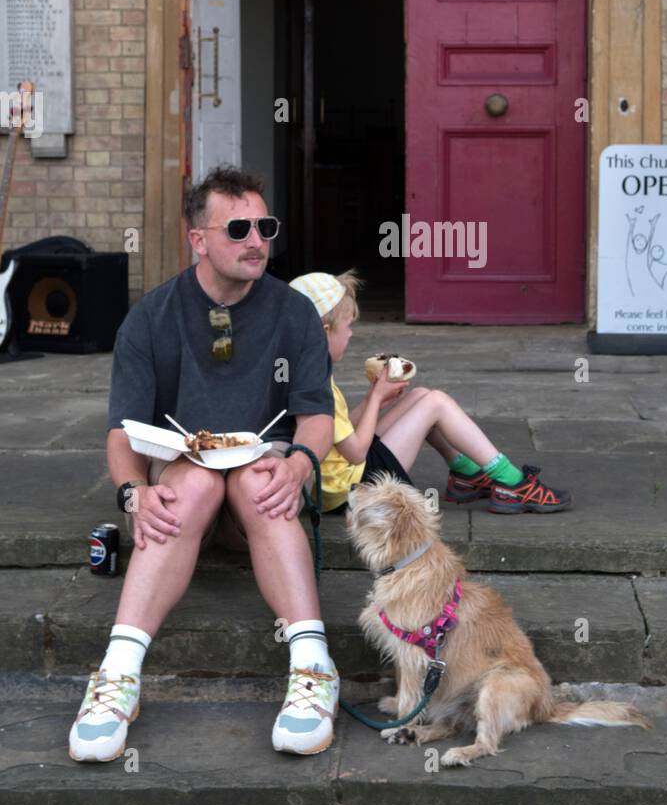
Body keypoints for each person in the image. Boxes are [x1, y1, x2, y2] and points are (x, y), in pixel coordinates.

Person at [68, 166, 338, 764]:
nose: (256, 240)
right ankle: (117, 677)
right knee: (190, 486)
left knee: (259, 476)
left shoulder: (293, 312)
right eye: (238, 228)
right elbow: (122, 431)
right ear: (198, 240)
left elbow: (316, 414)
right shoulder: (151, 316)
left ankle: (314, 665)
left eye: (265, 226)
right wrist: (131, 493)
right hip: (180, 481)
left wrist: (300, 463)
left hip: (259, 492)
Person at [289, 270, 572, 514]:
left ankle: (466, 474)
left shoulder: (306, 369)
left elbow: (338, 432)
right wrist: (376, 399)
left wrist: (372, 396)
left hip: (344, 476)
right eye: (348, 327)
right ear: (324, 331)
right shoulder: (317, 382)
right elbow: (356, 452)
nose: (351, 335)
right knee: (435, 403)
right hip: (354, 490)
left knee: (421, 395)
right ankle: (512, 483)